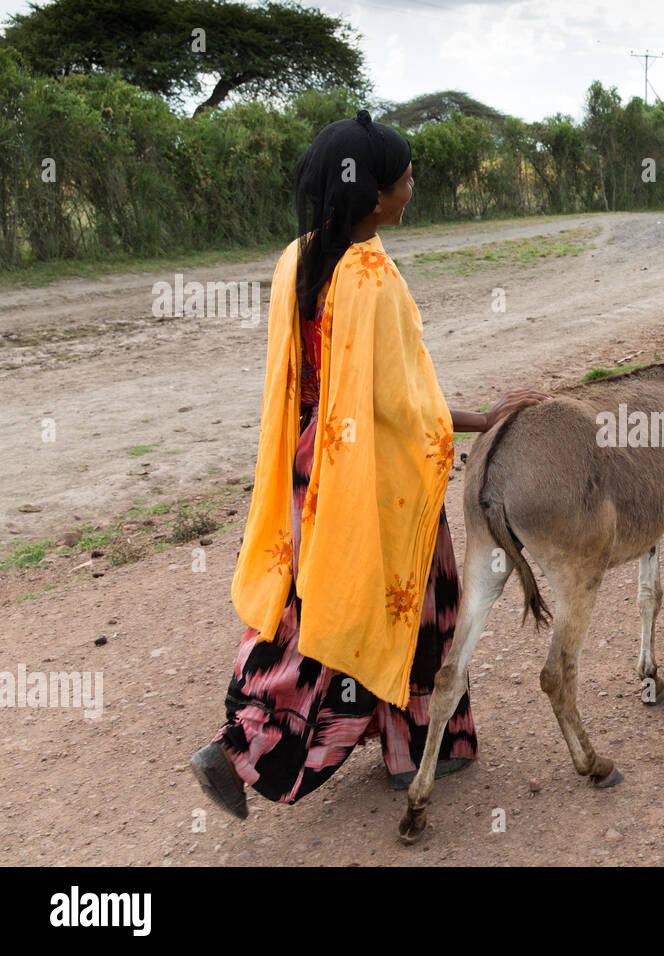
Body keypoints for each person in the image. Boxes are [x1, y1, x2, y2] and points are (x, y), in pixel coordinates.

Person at [190, 110, 548, 818]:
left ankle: (405, 748)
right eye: (406, 177)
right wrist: (484, 417)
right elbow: (404, 407)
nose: (413, 185)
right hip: (370, 477)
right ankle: (251, 752)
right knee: (411, 600)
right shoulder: (375, 277)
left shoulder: (300, 256)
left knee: (314, 599)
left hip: (308, 463)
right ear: (375, 196)